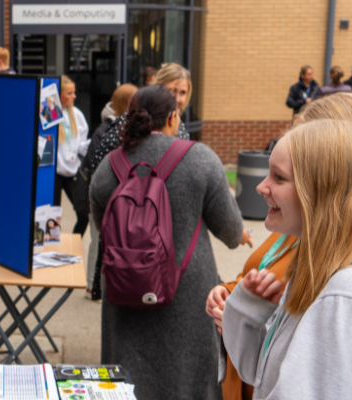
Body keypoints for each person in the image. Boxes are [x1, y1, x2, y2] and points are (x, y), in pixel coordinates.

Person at [222, 118, 352, 399]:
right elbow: (267, 374)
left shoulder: (347, 295)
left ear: (322, 192)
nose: (262, 187)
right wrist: (245, 312)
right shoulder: (338, 270)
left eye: (279, 177)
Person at [90, 85, 246, 399]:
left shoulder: (109, 167)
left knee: (127, 383)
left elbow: (100, 227)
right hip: (187, 298)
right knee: (187, 381)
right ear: (173, 118)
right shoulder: (200, 160)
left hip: (124, 294)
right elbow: (231, 232)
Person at [82, 84, 137, 297]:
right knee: (97, 241)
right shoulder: (106, 130)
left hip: (118, 199)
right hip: (102, 199)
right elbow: (96, 166)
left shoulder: (129, 127)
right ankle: (91, 285)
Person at [55, 75, 90, 236]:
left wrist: (93, 144)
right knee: (51, 218)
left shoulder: (77, 114)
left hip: (72, 172)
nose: (74, 96)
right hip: (54, 174)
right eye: (69, 93)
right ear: (59, 94)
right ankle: (49, 247)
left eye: (74, 92)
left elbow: (81, 146)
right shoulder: (51, 113)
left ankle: (73, 245)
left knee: (83, 217)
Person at [154, 63, 194, 139]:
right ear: (156, 88)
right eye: (171, 91)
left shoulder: (177, 122)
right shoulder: (143, 121)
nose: (177, 99)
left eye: (182, 92)